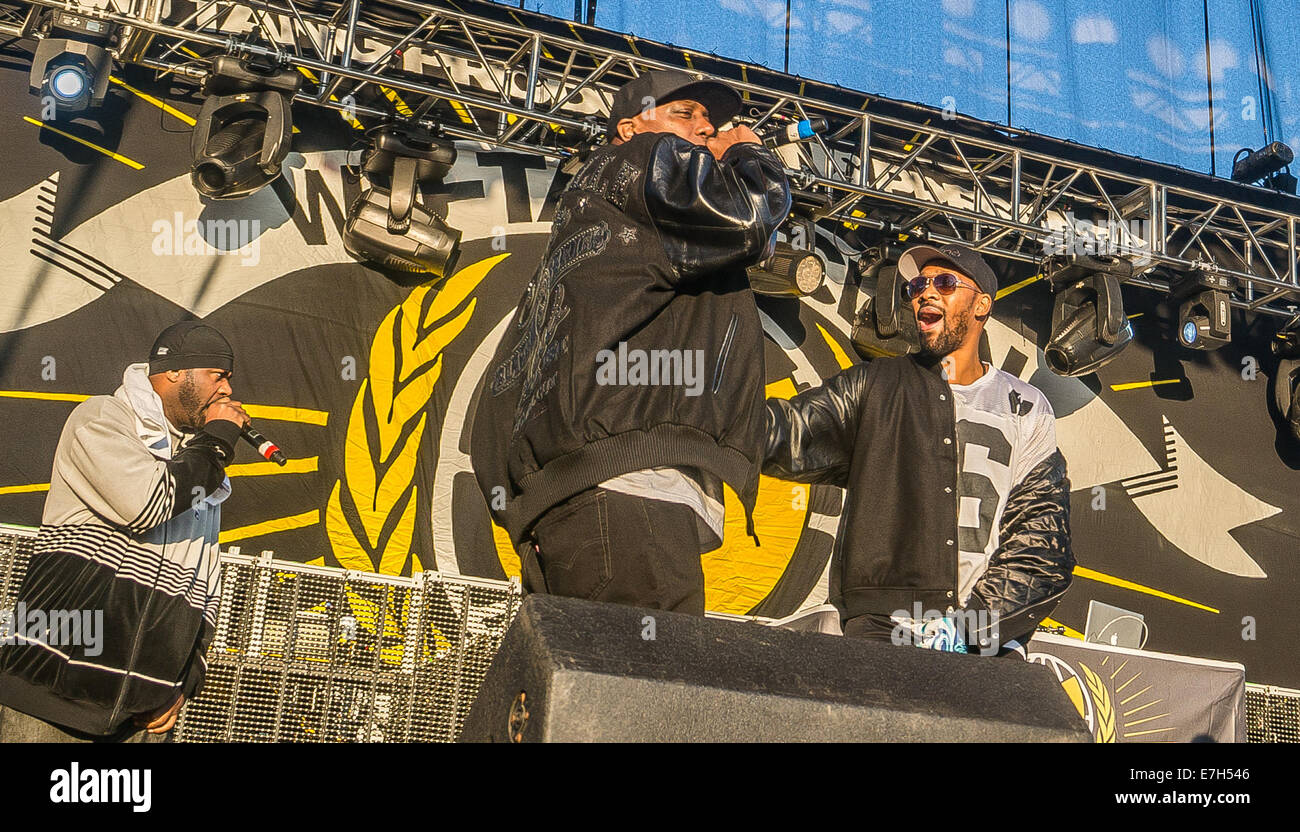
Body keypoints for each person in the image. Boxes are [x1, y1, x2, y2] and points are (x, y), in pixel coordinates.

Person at [472, 69, 792, 614]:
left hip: (584, 499)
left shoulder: (599, 217)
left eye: (711, 123)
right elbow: (745, 217)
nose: (704, 130)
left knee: (608, 689)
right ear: (628, 127)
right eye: (682, 114)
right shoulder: (645, 159)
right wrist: (751, 158)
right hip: (628, 488)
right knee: (653, 685)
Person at [763, 243, 1073, 654]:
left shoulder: (1027, 405)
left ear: (981, 305)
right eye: (917, 286)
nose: (925, 292)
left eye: (944, 283)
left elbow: (1041, 539)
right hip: (881, 629)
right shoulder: (876, 384)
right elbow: (786, 431)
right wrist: (689, 406)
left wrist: (974, 626)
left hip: (982, 640)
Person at [0, 321, 247, 741]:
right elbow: (145, 504)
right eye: (217, 375)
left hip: (142, 716)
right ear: (174, 373)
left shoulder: (198, 462)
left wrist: (183, 681)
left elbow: (206, 583)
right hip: (49, 697)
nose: (226, 389)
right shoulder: (102, 417)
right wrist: (218, 442)